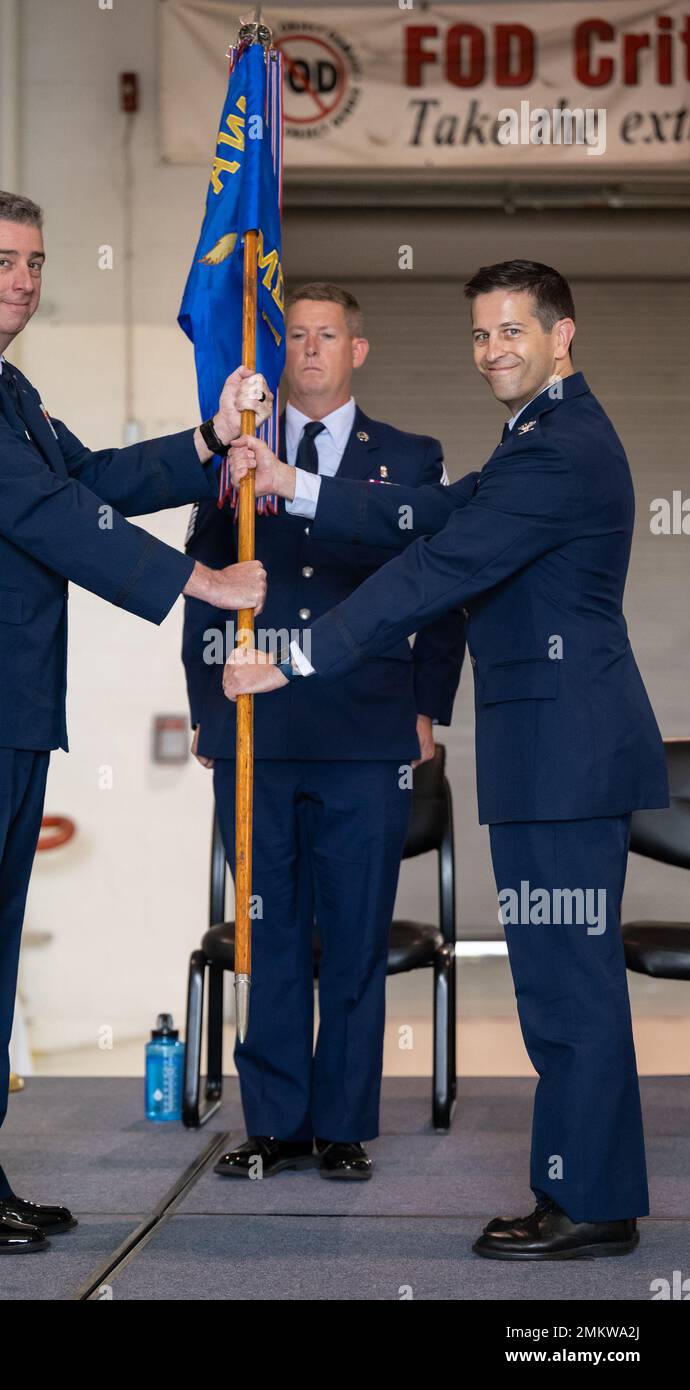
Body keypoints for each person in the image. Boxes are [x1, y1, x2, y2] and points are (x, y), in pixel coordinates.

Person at [224, 260, 669, 1260]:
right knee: (558, 986)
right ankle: (584, 1192)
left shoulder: (560, 450)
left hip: (565, 756)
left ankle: (589, 1204)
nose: (491, 349)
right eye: (477, 334)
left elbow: (435, 569)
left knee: (567, 989)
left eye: (511, 330)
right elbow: (425, 516)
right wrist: (296, 485)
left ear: (562, 336)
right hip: (546, 753)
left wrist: (295, 653)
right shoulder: (534, 441)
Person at [0, 188, 270, 1255]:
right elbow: (48, 513)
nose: (24, 281)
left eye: (35, 262)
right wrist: (200, 580)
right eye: (2, 261)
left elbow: (87, 477)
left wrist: (207, 439)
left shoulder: (4, 386)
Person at [182, 283, 466, 1181]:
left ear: (358, 351)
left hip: (366, 731)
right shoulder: (236, 458)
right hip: (256, 727)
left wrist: (427, 704)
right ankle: (273, 1123)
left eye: (326, 335)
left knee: (352, 933)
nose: (308, 349)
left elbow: (444, 586)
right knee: (265, 932)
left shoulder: (412, 459)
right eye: (295, 335)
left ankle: (342, 1125)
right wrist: (203, 707)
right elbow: (204, 580)